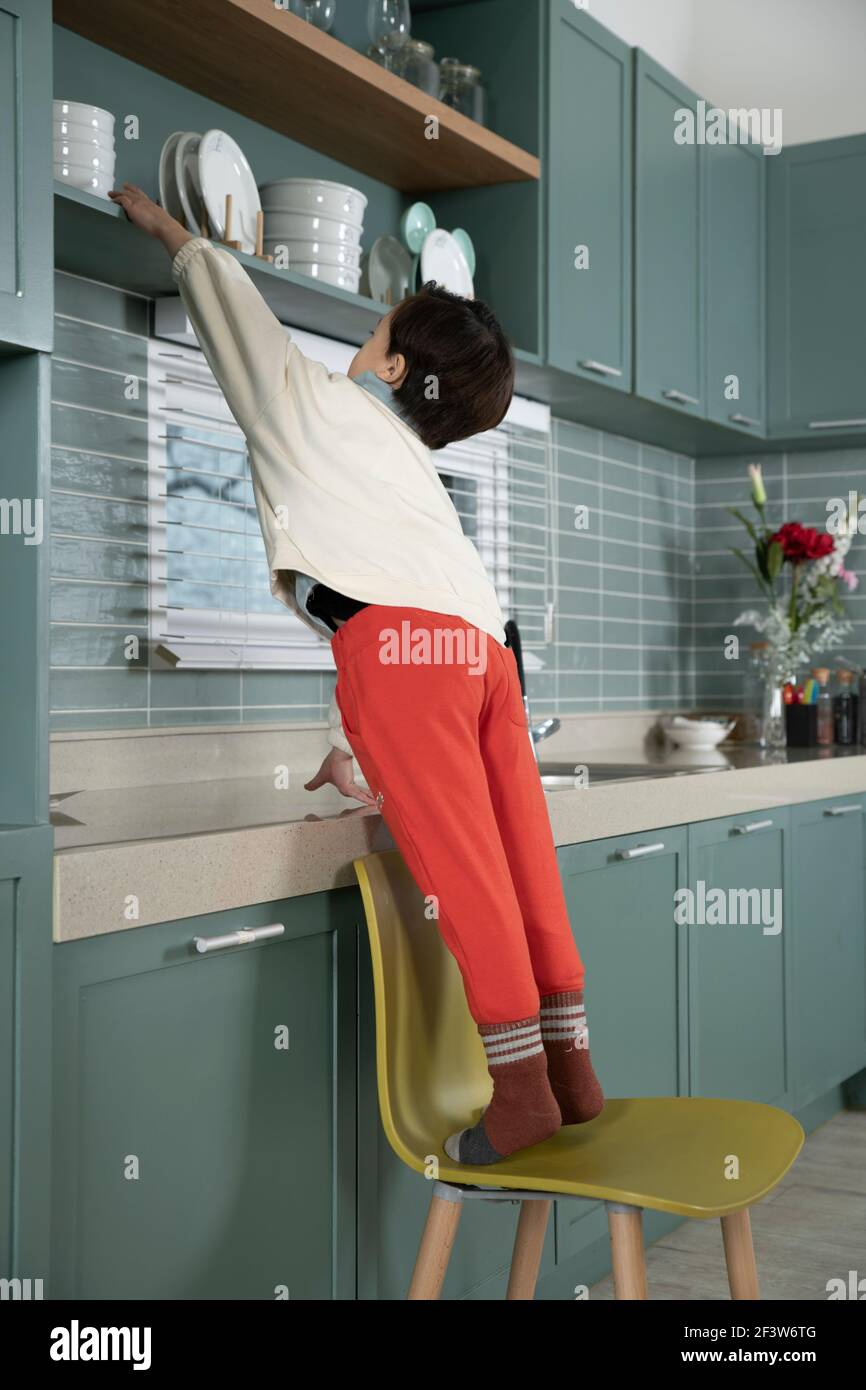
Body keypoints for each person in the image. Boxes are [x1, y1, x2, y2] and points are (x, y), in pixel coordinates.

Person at [109, 183, 605, 1163]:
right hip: (485, 656)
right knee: (516, 862)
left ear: (386, 361)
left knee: (463, 874)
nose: (358, 344)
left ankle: (518, 1101)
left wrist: (182, 241)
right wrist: (353, 750)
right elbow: (406, 624)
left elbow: (239, 328)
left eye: (373, 328)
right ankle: (570, 1068)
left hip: (410, 655)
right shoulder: (412, 470)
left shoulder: (315, 405)